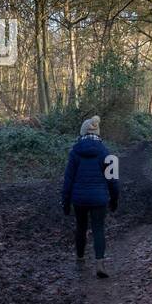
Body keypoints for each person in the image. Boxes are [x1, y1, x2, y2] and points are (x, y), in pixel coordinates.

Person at [60, 115, 120, 278]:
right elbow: (113, 180)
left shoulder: (74, 152)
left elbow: (68, 179)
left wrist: (65, 201)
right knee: (98, 228)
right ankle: (99, 264)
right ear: (98, 133)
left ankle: (80, 260)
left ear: (82, 132)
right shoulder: (107, 153)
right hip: (99, 199)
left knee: (81, 227)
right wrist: (114, 199)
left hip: (79, 199)